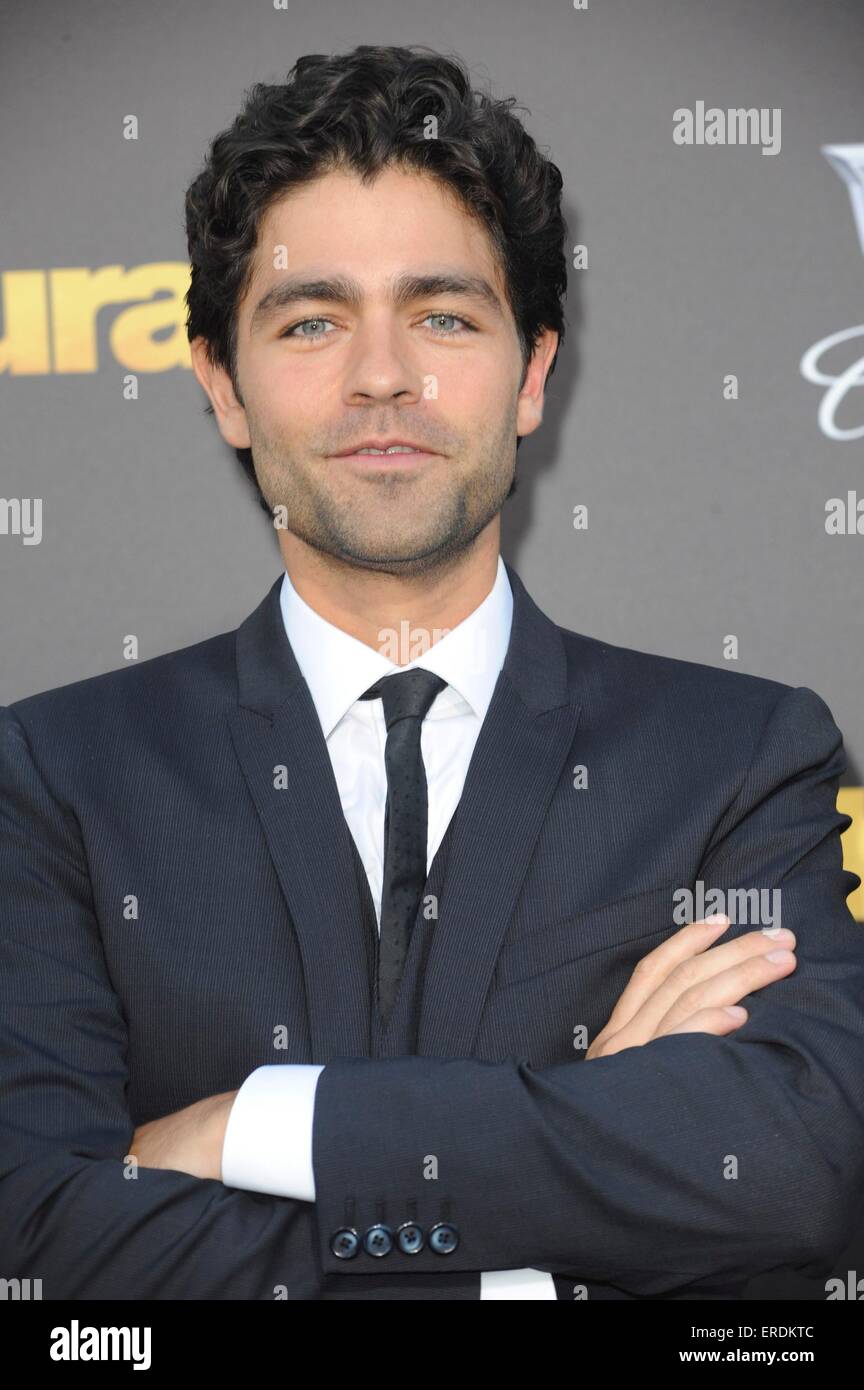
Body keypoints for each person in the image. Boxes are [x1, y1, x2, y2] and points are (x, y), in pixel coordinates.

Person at [1, 44, 862, 1303]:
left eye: (445, 314)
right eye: (311, 320)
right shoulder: (55, 780)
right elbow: (44, 1245)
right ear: (220, 389)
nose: (382, 373)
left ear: (532, 374)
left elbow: (786, 1169)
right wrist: (562, 1210)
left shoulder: (738, 759)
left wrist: (255, 1128)